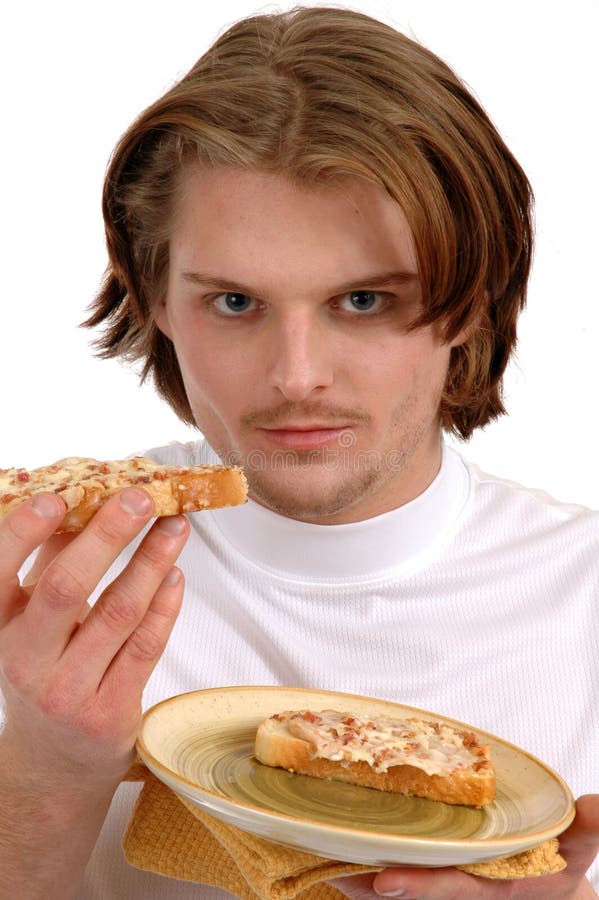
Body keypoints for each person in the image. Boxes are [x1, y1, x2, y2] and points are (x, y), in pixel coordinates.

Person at [0, 5, 597, 898]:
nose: (296, 376)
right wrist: (46, 775)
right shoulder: (34, 590)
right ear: (155, 296)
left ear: (475, 296)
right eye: (234, 303)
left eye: (362, 301)